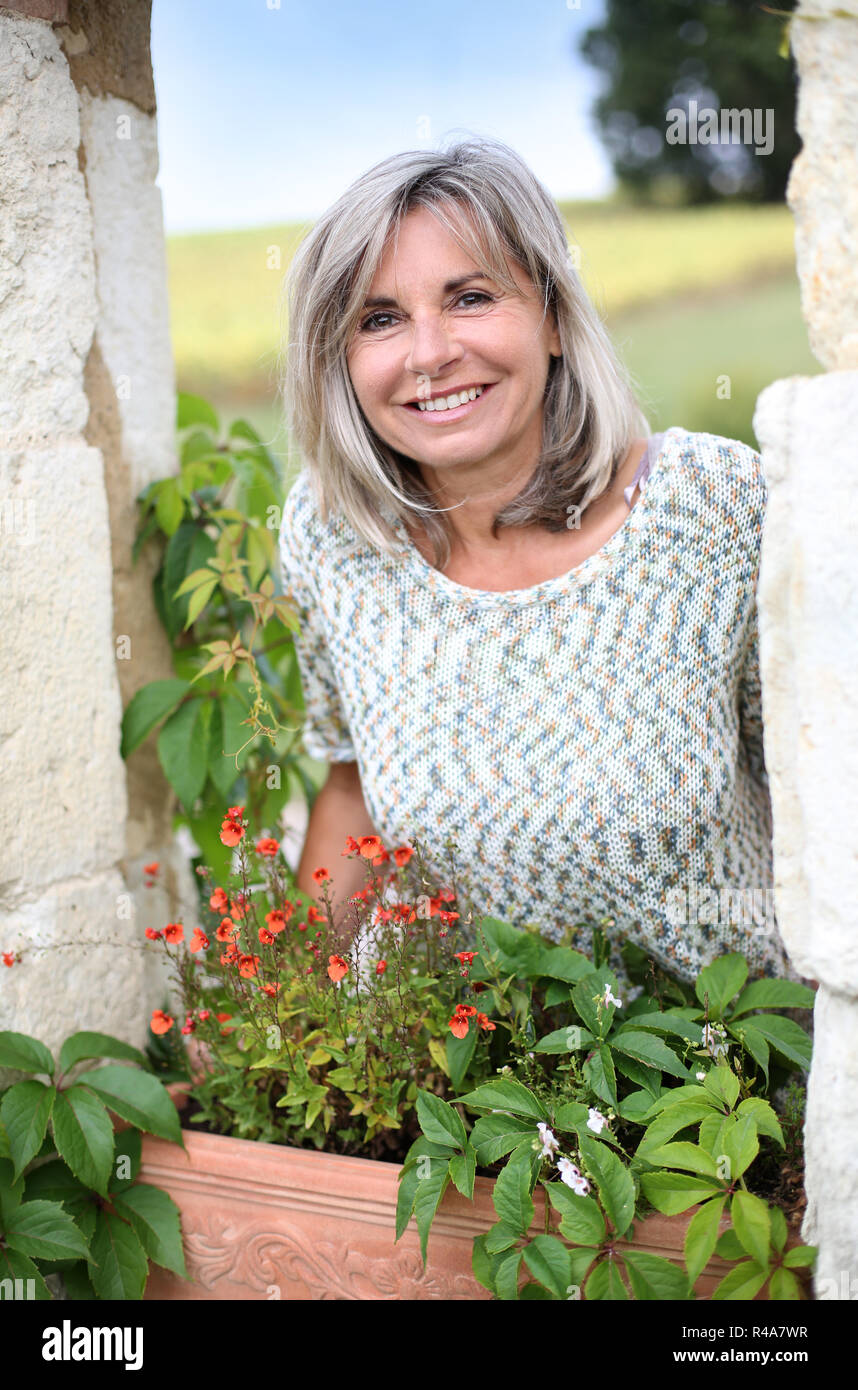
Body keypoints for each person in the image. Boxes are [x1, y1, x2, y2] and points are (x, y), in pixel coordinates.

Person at [277, 135, 800, 993]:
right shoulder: (334, 536)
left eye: (471, 297)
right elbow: (351, 786)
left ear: (553, 315)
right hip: (474, 1102)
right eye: (380, 318)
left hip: (730, 1082)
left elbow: (823, 778)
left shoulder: (715, 505)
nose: (429, 352)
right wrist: (288, 1019)